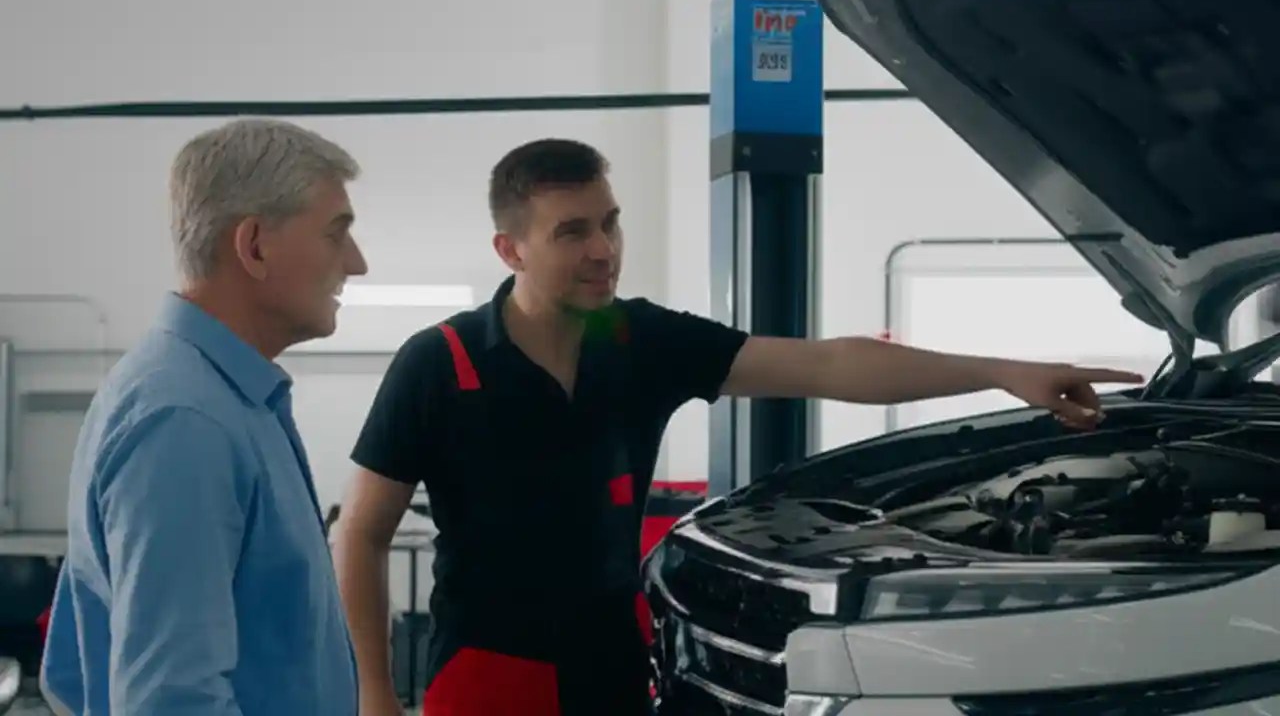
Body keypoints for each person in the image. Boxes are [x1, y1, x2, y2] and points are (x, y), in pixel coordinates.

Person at [332, 138, 1144, 716]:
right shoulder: (440, 364)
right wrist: (373, 692)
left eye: (609, 222)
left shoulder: (639, 340)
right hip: (488, 675)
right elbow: (361, 534)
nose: (603, 249)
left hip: (614, 665)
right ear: (510, 248)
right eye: (572, 231)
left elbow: (827, 364)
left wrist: (1003, 372)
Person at [39, 118, 369, 715]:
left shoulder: (216, 397)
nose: (356, 262)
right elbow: (170, 702)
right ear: (254, 246)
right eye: (336, 233)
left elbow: (68, 670)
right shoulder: (186, 420)